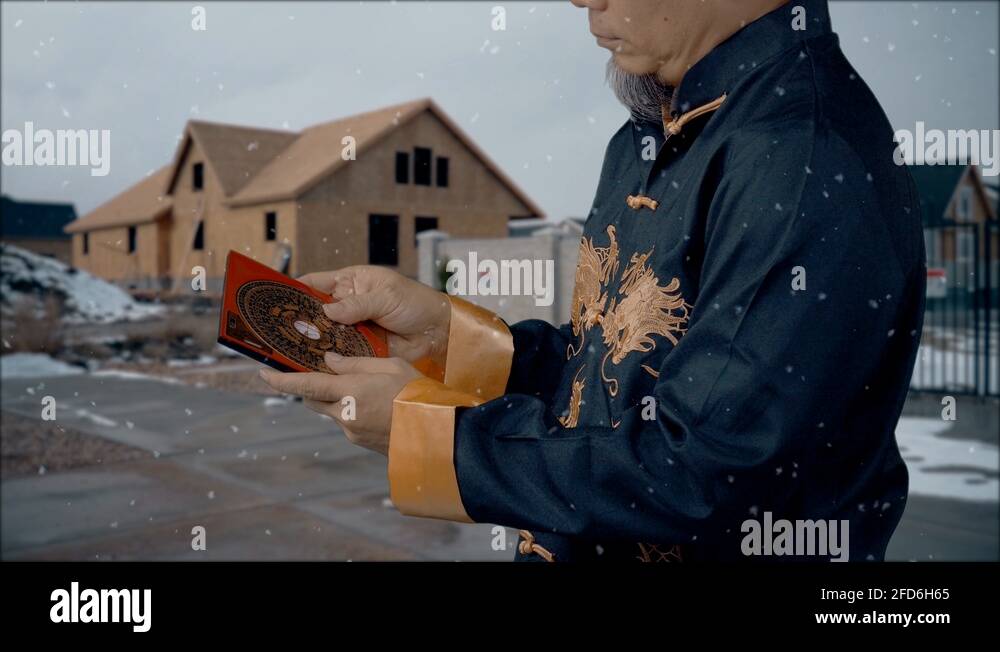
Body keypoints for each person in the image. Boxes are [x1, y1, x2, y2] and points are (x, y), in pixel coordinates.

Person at [261, 0, 926, 562]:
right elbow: (607, 376)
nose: (580, 0)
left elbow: (709, 474)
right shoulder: (654, 134)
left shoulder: (799, 154)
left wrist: (436, 435)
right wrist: (441, 341)